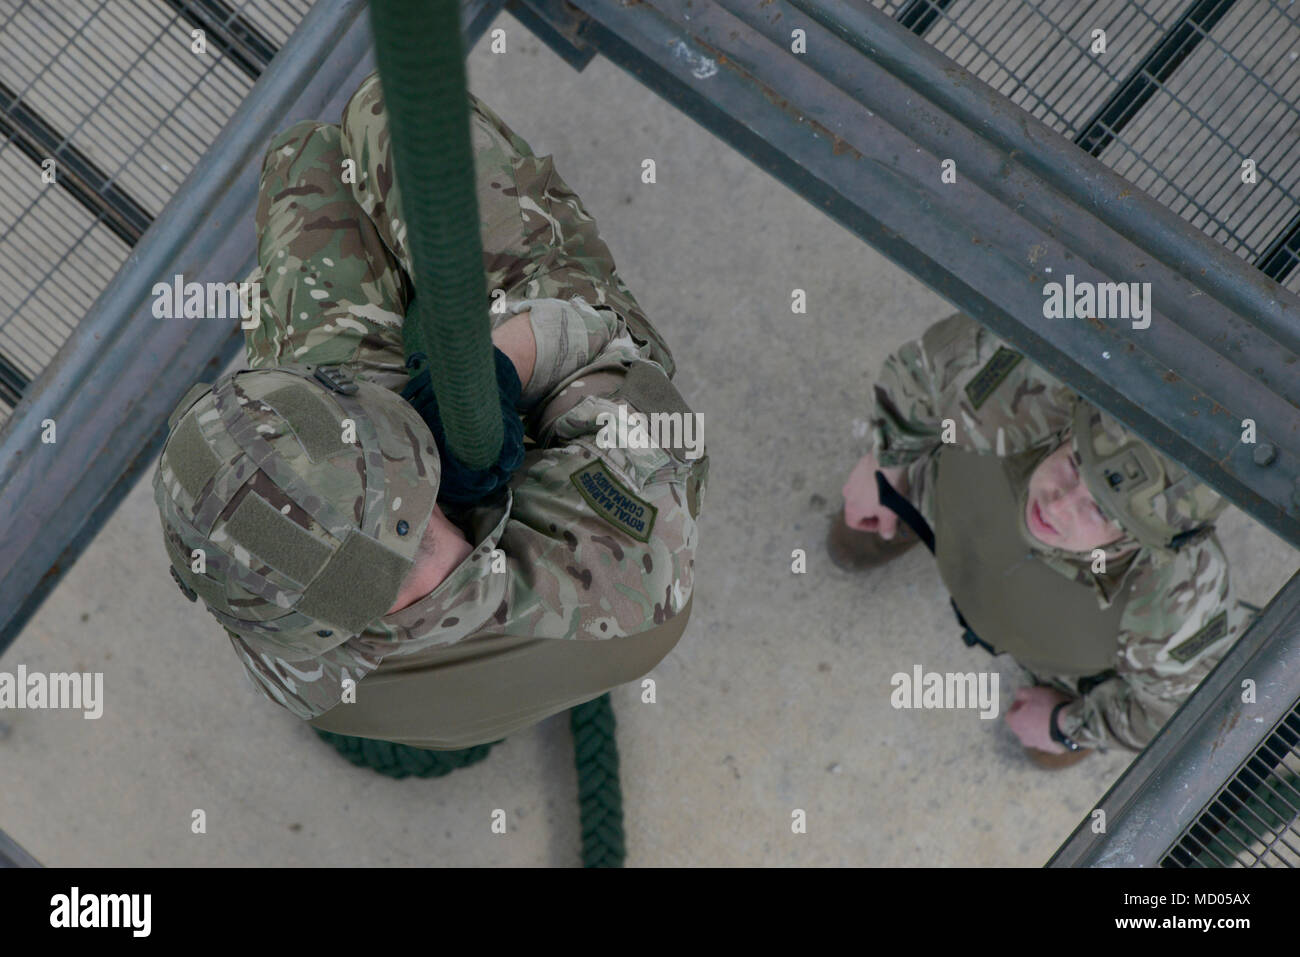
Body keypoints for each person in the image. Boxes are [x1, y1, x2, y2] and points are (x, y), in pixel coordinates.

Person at [153, 71, 708, 750]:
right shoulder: (621, 551)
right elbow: (608, 350)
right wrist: (496, 372)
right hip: (620, 615)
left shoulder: (289, 665)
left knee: (312, 168)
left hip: (416, 689)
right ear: (404, 475)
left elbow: (268, 553)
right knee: (389, 111)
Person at [830, 312, 1253, 766]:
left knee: (1047, 754)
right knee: (849, 543)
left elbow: (1176, 713)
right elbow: (925, 374)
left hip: (1053, 666)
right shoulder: (1034, 387)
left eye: (1098, 510)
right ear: (1074, 427)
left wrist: (1065, 727)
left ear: (1137, 541)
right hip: (936, 500)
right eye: (1074, 465)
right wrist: (886, 457)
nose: (1056, 505)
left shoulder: (1178, 601)